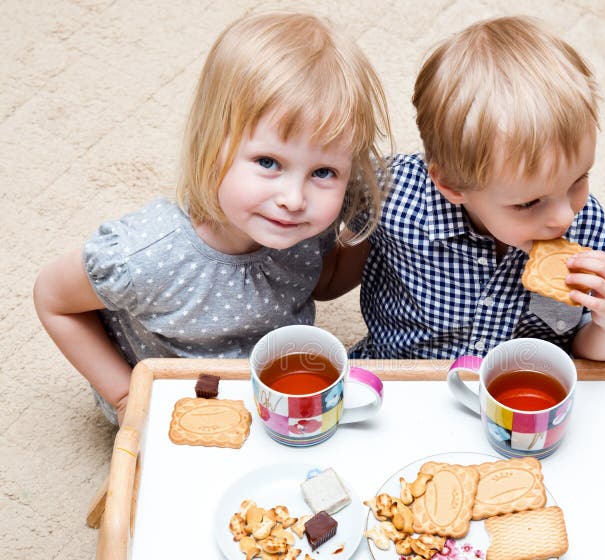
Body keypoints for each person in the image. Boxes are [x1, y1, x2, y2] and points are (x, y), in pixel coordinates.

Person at [33, 12, 390, 424]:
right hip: (179, 405)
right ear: (210, 141)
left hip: (272, 387)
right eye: (268, 162)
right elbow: (52, 299)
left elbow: (322, 283)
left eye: (323, 172)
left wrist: (375, 221)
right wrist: (123, 396)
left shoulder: (306, 222)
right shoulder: (147, 256)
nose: (294, 199)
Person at [346, 16, 605, 361]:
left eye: (578, 180)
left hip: (520, 391)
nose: (565, 216)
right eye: (530, 202)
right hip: (403, 374)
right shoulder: (392, 194)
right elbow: (330, 205)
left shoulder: (590, 229)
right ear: (450, 184)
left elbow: (587, 351)